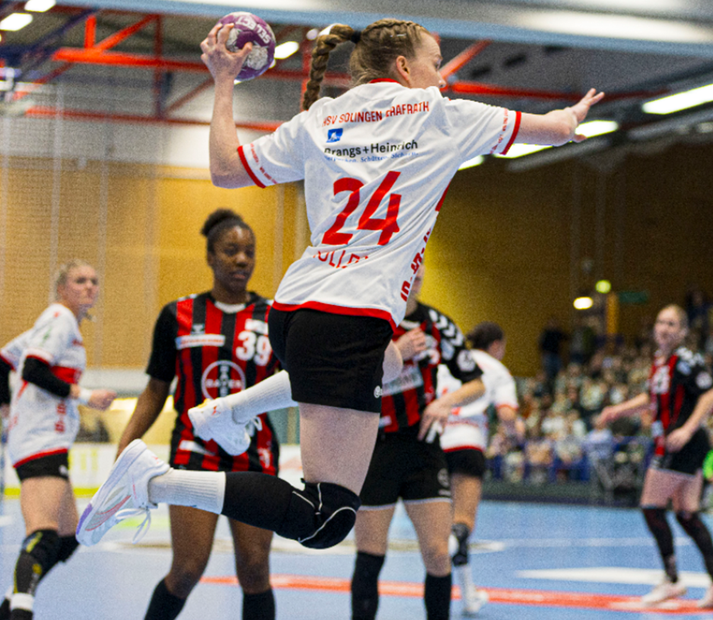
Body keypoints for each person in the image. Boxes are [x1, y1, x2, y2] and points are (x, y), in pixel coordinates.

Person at [78, 18, 603, 554]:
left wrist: (222, 83)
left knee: (393, 362)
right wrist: (575, 114)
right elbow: (557, 129)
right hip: (347, 323)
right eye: (435, 61)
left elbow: (225, 168)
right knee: (325, 518)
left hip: (294, 311)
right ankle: (153, 481)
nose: (441, 77)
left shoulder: (321, 116)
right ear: (403, 66)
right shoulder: (444, 115)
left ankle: (227, 410)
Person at [116, 210, 281, 620]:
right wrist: (126, 446)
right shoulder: (178, 315)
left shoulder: (275, 317)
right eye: (230, 251)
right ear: (209, 256)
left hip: (255, 457)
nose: (242, 260)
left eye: (249, 252)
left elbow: (296, 387)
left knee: (256, 569)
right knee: (188, 568)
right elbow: (156, 390)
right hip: (194, 454)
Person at [350, 271, 486, 620]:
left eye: (420, 269)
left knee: (439, 554)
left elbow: (476, 384)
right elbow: (346, 373)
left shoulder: (437, 323)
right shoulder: (368, 320)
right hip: (375, 448)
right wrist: (395, 351)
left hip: (422, 448)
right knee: (370, 556)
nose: (415, 275)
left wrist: (446, 403)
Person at [596, 305, 713, 609]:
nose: (664, 328)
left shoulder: (686, 360)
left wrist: (686, 429)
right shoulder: (661, 362)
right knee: (686, 513)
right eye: (661, 322)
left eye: (672, 324)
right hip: (674, 441)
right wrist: (617, 410)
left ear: (683, 332)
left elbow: (710, 394)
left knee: (650, 507)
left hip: (681, 443)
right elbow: (652, 399)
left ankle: (672, 580)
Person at [1, 261, 117, 620]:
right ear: (61, 288)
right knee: (44, 534)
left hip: (44, 438)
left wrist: (8, 409)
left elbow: (5, 359)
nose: (89, 287)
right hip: (40, 439)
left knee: (68, 538)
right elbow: (34, 369)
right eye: (79, 281)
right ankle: (20, 611)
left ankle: (11, 602)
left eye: (94, 281)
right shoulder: (59, 318)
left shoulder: (52, 324)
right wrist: (85, 395)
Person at [438, 321, 519, 614]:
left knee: (451, 527)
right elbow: (507, 414)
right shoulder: (497, 370)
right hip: (468, 445)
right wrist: (516, 432)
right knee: (462, 524)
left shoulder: (447, 363)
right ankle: (445, 550)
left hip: (436, 445)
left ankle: (468, 594)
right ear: (496, 345)